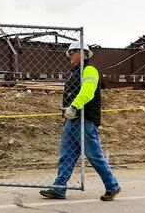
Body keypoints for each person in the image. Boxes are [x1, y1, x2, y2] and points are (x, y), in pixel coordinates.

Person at [40, 42, 121, 201]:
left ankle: (112, 186)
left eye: (72, 53)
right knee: (66, 155)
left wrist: (74, 106)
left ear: (82, 53)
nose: (70, 56)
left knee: (93, 154)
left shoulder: (89, 70)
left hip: (85, 119)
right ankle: (59, 188)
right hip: (72, 120)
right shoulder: (73, 72)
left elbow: (88, 91)